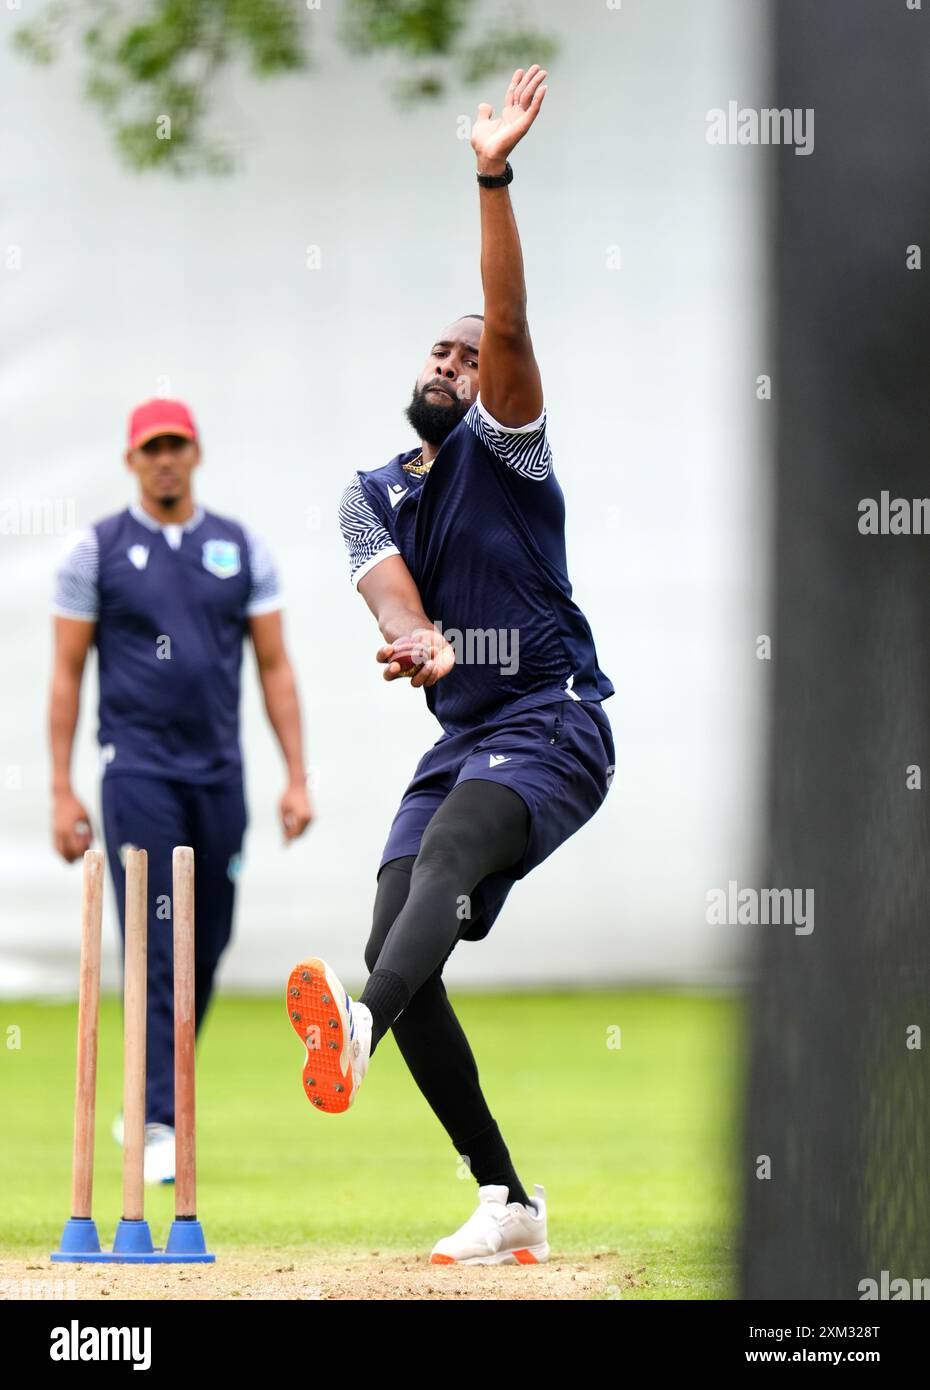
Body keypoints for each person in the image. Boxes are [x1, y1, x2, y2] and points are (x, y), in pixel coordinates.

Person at [286, 64, 614, 1265]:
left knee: (451, 861)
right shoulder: (369, 491)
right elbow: (395, 602)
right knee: (398, 940)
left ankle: (360, 1031)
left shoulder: (511, 454)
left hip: (554, 721)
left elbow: (510, 324)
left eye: (468, 356)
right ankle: (507, 1197)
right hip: (464, 733)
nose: (451, 361)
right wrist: (416, 641)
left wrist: (492, 172)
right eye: (439, 348)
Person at [51, 396, 313, 1182]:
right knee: (159, 943)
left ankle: (150, 1096)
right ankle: (159, 1117)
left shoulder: (240, 548)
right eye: (150, 448)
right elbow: (66, 675)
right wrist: (63, 790)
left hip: (219, 777)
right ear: (132, 460)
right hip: (137, 772)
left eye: (177, 445)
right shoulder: (95, 552)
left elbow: (273, 667)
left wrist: (297, 776)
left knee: (210, 940)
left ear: (195, 453)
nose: (165, 459)